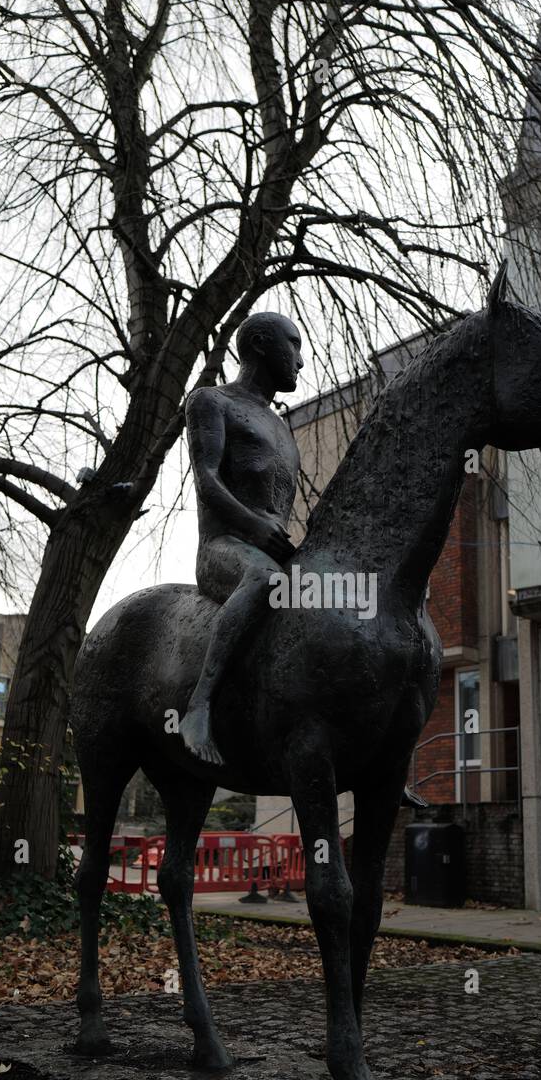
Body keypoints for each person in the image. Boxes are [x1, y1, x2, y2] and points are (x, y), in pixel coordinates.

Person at [177, 312, 302, 766]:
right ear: (261, 345)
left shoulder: (282, 428)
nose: (301, 362)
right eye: (294, 345)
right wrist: (253, 527)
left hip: (270, 550)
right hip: (224, 549)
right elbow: (207, 480)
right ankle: (199, 705)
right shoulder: (211, 402)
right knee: (266, 580)